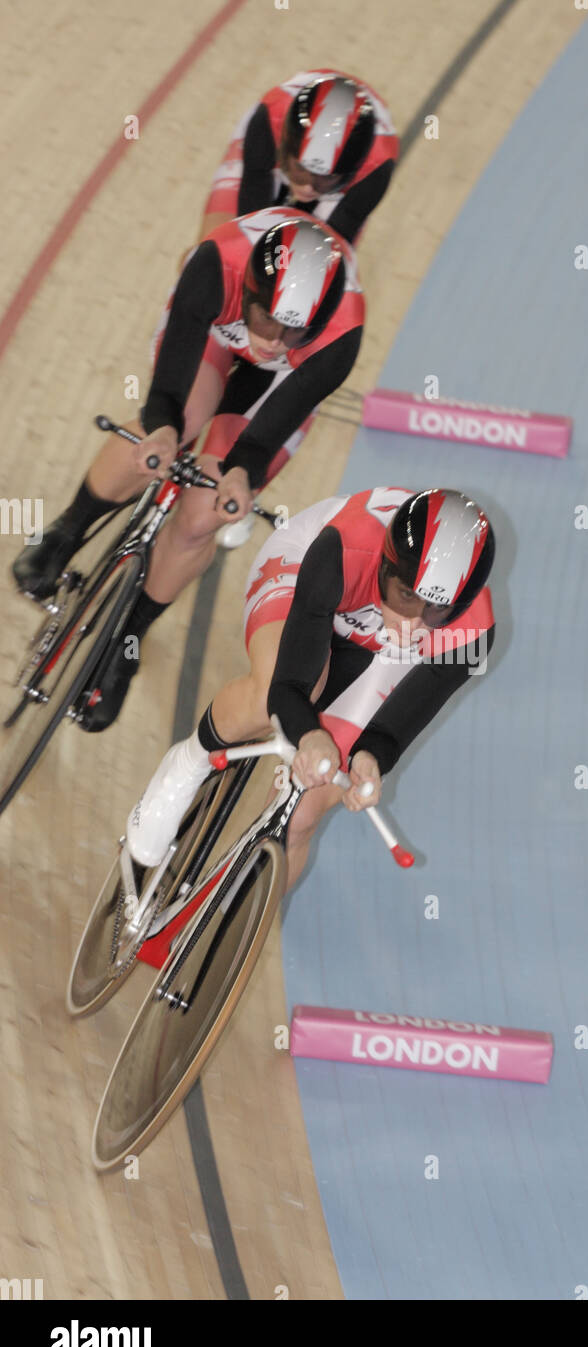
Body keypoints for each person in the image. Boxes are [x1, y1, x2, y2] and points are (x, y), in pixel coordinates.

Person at [12, 210, 365, 730]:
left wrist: (242, 473)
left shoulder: (341, 330)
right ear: (249, 290)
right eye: (267, 319)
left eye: (294, 331)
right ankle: (68, 529)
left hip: (278, 389)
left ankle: (127, 641)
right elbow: (168, 390)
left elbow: (270, 427)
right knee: (179, 421)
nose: (273, 341)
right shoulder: (216, 264)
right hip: (215, 338)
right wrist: (161, 431)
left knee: (203, 514)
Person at [125, 487, 496, 897]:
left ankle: (227, 930)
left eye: (436, 610)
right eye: (406, 596)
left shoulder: (472, 633)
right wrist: (309, 734)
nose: (413, 623)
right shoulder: (344, 549)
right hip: (305, 569)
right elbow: (289, 687)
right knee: (272, 697)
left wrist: (370, 761)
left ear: (461, 606)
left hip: (378, 647)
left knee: (302, 814)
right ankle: (188, 760)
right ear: (388, 570)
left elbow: (395, 727)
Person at [198, 70, 399, 248]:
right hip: (274, 143)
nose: (308, 188)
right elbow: (254, 186)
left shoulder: (377, 167)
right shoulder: (269, 119)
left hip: (346, 183)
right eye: (301, 171)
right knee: (216, 244)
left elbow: (339, 236)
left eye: (324, 179)